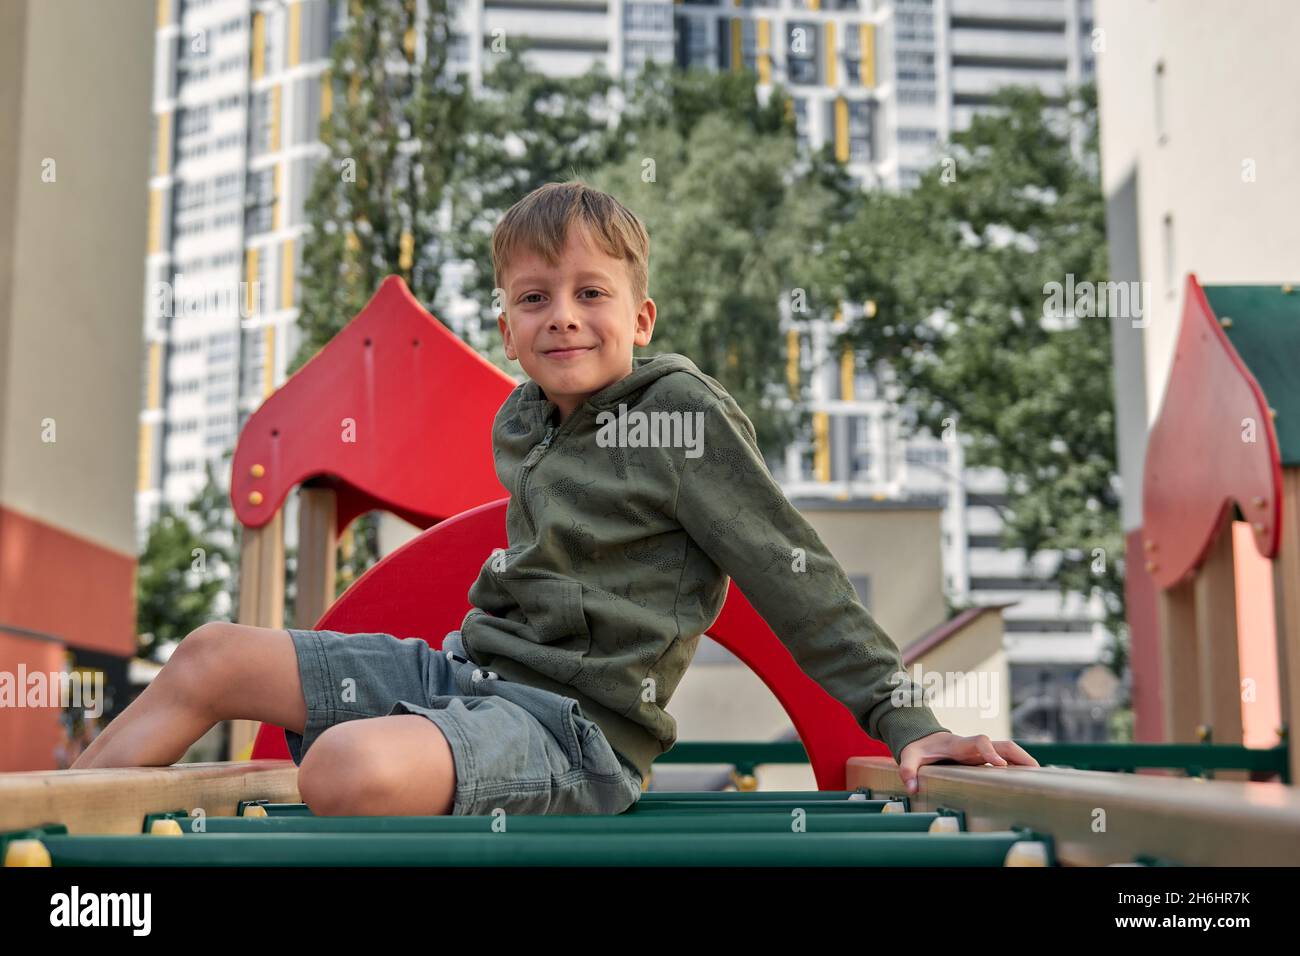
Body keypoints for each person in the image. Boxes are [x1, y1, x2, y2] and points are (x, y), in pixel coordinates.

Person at [72, 181, 1037, 813]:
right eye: (534, 298)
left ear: (640, 314)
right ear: (506, 326)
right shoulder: (525, 420)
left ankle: (407, 759)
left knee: (343, 768)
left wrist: (910, 721)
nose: (563, 316)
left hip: (574, 733)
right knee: (207, 656)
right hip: (464, 677)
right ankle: (44, 819)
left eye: (591, 292)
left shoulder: (681, 419)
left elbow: (797, 576)